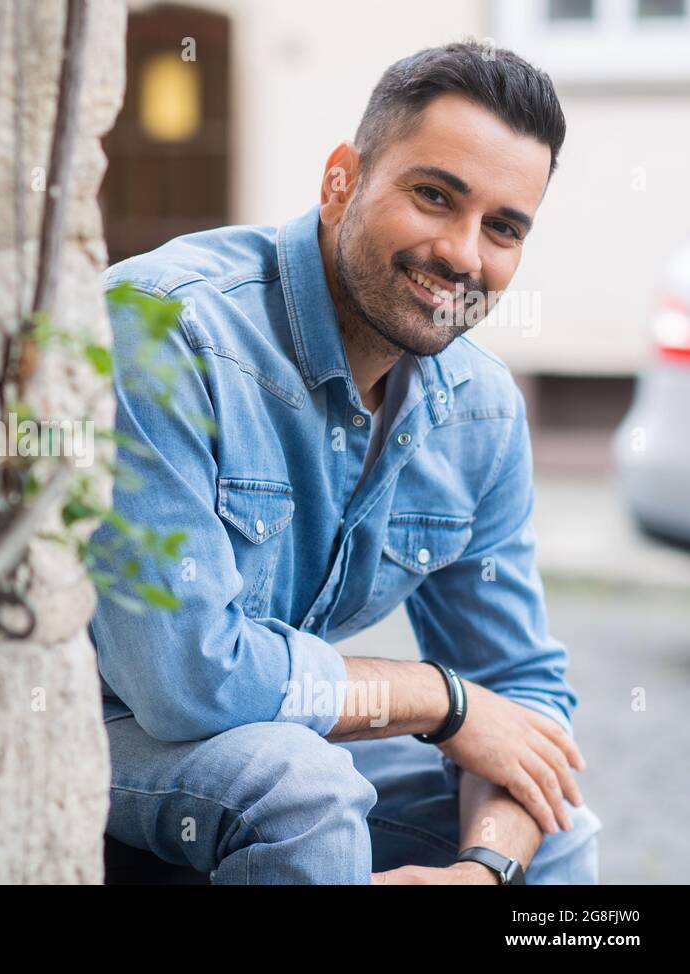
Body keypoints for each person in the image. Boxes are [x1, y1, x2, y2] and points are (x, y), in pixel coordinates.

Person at [91, 41, 601, 885]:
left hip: (270, 736)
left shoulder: (480, 410)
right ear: (341, 182)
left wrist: (481, 871)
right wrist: (439, 698)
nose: (465, 255)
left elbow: (520, 691)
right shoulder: (162, 330)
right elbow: (185, 679)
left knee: (555, 825)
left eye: (503, 228)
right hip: (98, 727)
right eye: (435, 196)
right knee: (303, 789)